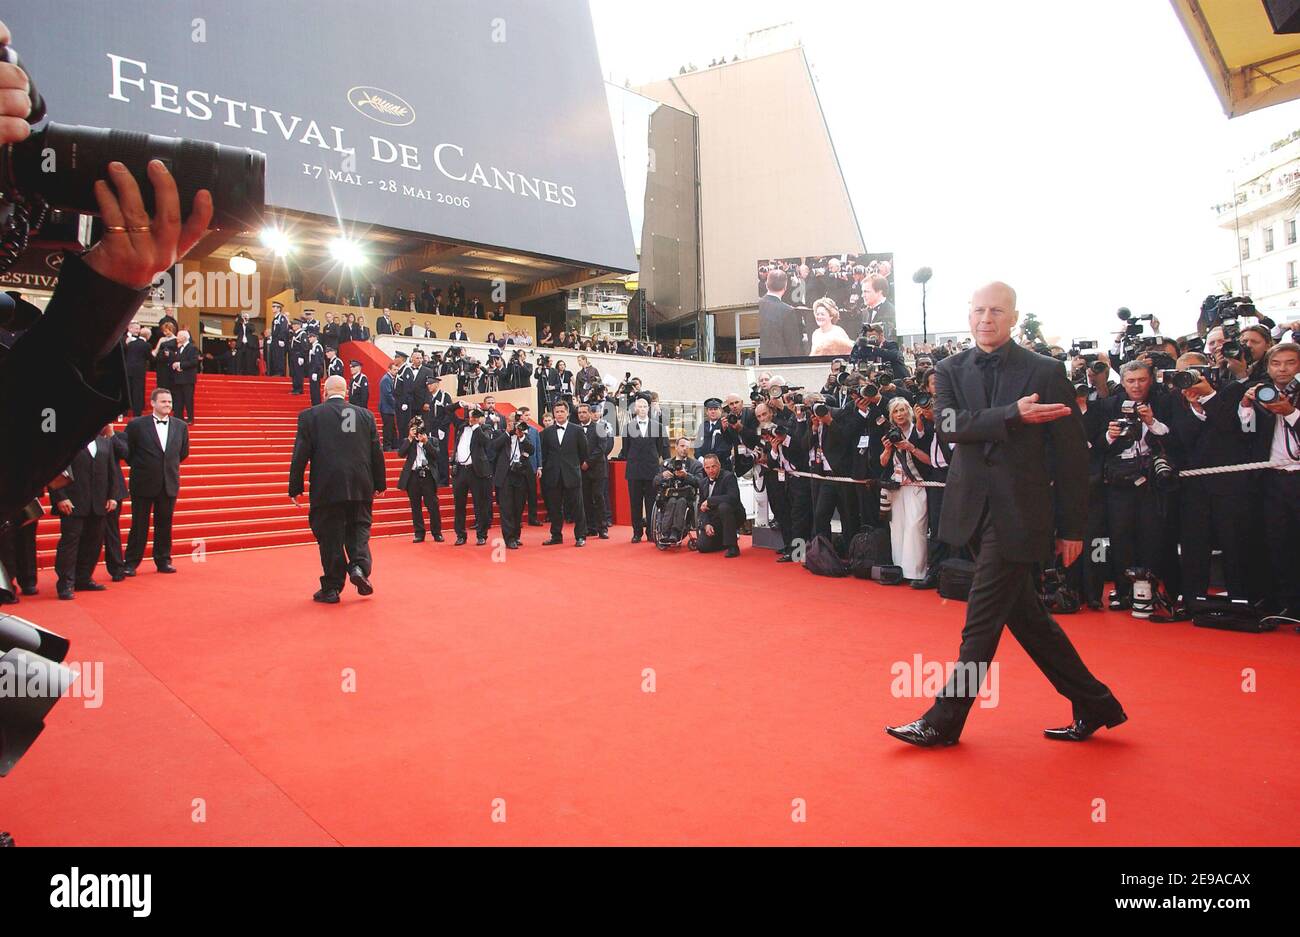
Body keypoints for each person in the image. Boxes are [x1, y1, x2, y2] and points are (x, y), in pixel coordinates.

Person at [887, 281, 1125, 747]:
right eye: (978, 311)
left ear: (1013, 317)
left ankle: (943, 720)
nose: (985, 319)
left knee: (981, 618)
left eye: (996, 311)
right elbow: (951, 427)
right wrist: (1011, 415)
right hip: (971, 511)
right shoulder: (949, 369)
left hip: (1022, 514)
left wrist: (1073, 526)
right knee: (1029, 620)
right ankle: (1096, 702)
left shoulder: (1046, 370)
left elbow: (1072, 455)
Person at [288, 375, 387, 603]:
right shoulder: (364, 415)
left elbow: (300, 455)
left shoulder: (310, 416)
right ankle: (359, 567)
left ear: (324, 392)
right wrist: (380, 483)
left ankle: (332, 588)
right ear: (346, 392)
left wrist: (295, 487)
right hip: (360, 485)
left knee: (330, 536)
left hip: (327, 486)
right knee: (359, 528)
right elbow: (376, 453)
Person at [1238, 342, 1300, 615]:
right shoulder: (1263, 392)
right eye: (1276, 363)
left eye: (1290, 363)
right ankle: (1287, 603)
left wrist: (1291, 412)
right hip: (1272, 479)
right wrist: (1246, 405)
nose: (1282, 369)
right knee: (1278, 542)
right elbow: (1246, 432)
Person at [124, 387, 190, 575]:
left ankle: (163, 560)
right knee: (139, 524)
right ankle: (131, 562)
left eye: (169, 402)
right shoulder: (137, 425)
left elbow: (182, 453)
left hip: (168, 482)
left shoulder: (180, 426)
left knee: (165, 523)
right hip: (143, 482)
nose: (167, 405)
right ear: (153, 403)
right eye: (163, 401)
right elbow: (128, 452)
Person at [50, 433, 118, 599]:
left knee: (94, 542)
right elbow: (54, 471)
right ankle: (65, 583)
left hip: (99, 502)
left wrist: (112, 496)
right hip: (72, 502)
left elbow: (111, 470)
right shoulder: (67, 441)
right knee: (70, 544)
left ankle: (84, 578)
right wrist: (60, 497)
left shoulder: (105, 443)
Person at [879, 396, 929, 581]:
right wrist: (886, 450)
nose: (899, 414)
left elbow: (930, 461)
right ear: (891, 416)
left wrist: (911, 447)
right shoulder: (888, 434)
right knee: (897, 527)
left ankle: (916, 572)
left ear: (909, 411)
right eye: (895, 411)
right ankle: (899, 570)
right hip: (896, 487)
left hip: (917, 484)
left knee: (916, 526)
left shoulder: (919, 431)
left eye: (902, 410)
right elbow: (883, 463)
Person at [539, 399, 589, 546]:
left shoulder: (577, 430)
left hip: (572, 473)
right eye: (557, 412)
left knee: (577, 506)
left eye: (562, 411)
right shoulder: (546, 432)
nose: (559, 414)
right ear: (553, 414)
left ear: (567, 413)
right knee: (554, 507)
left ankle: (580, 536)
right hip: (553, 475)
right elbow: (544, 453)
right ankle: (556, 536)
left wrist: (575, 466)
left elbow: (583, 452)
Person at [448, 402, 495, 545]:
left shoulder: (485, 428)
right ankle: (460, 535)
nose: (473, 417)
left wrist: (476, 426)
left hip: (477, 471)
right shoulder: (461, 426)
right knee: (459, 505)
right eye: (471, 414)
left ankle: (482, 534)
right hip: (460, 470)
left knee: (480, 504)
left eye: (476, 415)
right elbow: (448, 411)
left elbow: (486, 442)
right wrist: (459, 404)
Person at [623, 396, 668, 542]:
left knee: (651, 502)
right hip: (634, 470)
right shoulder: (628, 427)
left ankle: (650, 532)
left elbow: (660, 448)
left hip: (651, 470)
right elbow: (626, 449)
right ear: (635, 409)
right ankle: (637, 533)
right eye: (639, 406)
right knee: (635, 503)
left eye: (644, 406)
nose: (642, 409)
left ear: (648, 409)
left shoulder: (658, 426)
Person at [489, 413, 533, 549]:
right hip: (505, 475)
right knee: (506, 508)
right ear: (508, 422)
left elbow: (531, 450)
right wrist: (508, 433)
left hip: (520, 475)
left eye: (518, 421)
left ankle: (516, 535)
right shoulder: (499, 434)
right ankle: (509, 538)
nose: (516, 424)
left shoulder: (524, 434)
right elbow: (493, 447)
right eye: (514, 422)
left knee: (518, 507)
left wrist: (522, 436)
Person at [397, 418, 443, 543]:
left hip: (427, 475)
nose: (418, 431)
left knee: (433, 505)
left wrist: (426, 442)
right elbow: (400, 454)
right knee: (415, 506)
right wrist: (410, 438)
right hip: (413, 476)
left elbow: (437, 456)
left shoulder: (432, 440)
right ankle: (419, 533)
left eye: (420, 428)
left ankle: (437, 532)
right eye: (415, 428)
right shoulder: (408, 441)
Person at [577, 402, 612, 539]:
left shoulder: (600, 428)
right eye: (579, 413)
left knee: (598, 498)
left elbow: (601, 448)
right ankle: (590, 527)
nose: (582, 415)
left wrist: (588, 462)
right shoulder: (575, 429)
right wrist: (581, 463)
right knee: (585, 499)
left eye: (584, 412)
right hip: (581, 470)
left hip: (597, 469)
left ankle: (602, 528)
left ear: (590, 413)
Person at [759, 268, 803, 358]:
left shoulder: (757, 306)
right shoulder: (788, 311)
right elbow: (794, 347)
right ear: (785, 287)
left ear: (766, 285)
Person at [169, 328, 200, 422]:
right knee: (178, 399)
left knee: (188, 399)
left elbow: (194, 362)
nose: (177, 337)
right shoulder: (178, 349)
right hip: (178, 378)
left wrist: (180, 364)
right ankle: (178, 418)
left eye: (179, 336)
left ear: (185, 337)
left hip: (188, 378)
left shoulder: (192, 348)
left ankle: (190, 418)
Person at [123, 323, 151, 416]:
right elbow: (150, 357)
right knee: (133, 391)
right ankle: (132, 412)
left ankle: (130, 412)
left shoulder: (134, 343)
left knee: (133, 390)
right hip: (134, 370)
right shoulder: (124, 338)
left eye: (139, 329)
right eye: (136, 328)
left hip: (131, 369)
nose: (137, 330)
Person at [378, 361, 399, 451]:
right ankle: (387, 446)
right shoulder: (386, 379)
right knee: (388, 427)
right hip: (386, 408)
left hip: (388, 408)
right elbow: (388, 394)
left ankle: (394, 444)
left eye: (397, 370)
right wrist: (396, 405)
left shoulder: (390, 378)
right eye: (394, 369)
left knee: (392, 427)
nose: (396, 371)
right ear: (389, 369)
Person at [269, 301, 290, 376]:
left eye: (274, 307)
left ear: (279, 309)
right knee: (275, 356)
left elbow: (283, 329)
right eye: (273, 307)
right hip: (275, 340)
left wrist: (281, 339)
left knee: (279, 356)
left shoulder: (281, 318)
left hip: (279, 340)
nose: (273, 308)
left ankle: (280, 372)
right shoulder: (275, 318)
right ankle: (276, 371)